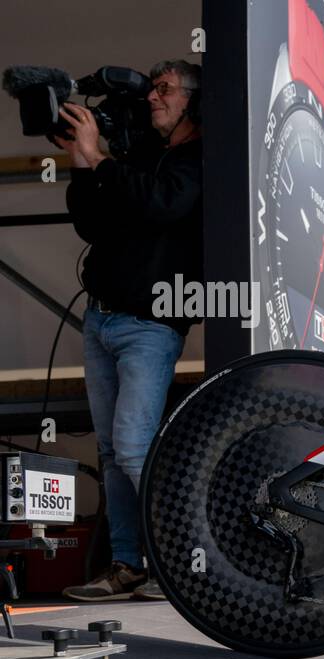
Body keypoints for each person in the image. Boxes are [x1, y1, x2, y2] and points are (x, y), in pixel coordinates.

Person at [56, 60, 204, 601]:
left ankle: (185, 562)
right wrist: (81, 165)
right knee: (113, 452)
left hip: (150, 324)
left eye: (163, 89)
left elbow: (163, 205)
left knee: (135, 448)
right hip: (101, 317)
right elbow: (92, 224)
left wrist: (100, 159)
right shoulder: (142, 155)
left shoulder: (198, 159)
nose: (152, 98)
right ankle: (127, 564)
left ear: (193, 99)